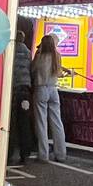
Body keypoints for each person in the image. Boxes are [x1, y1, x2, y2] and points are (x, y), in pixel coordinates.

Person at [31, 33, 67, 162]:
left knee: (41, 123)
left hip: (41, 88)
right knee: (57, 122)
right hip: (53, 89)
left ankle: (43, 154)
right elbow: (59, 73)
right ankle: (61, 153)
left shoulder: (39, 56)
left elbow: (33, 69)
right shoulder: (57, 56)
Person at [9, 30, 36, 163]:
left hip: (13, 89)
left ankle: (8, 154)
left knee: (11, 122)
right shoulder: (28, 52)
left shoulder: (11, 50)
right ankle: (25, 153)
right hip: (25, 90)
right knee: (24, 121)